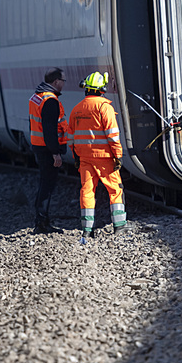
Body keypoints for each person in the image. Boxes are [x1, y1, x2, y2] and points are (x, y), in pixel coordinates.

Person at [69, 71, 129, 240]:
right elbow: (112, 135)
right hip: (105, 158)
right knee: (115, 190)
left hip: (85, 159)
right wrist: (118, 155)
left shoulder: (77, 109)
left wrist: (76, 157)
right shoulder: (105, 107)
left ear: (87, 89)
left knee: (87, 192)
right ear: (102, 89)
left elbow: (71, 137)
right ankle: (119, 226)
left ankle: (87, 230)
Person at [28, 68, 72, 234]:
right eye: (63, 81)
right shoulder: (50, 101)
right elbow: (49, 129)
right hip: (48, 150)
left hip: (39, 146)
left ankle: (41, 220)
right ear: (55, 82)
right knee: (47, 185)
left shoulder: (36, 98)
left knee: (43, 184)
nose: (63, 84)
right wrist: (56, 153)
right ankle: (42, 223)